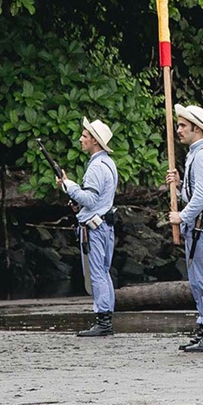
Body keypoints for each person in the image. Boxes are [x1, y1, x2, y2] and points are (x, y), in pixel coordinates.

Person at [165, 104, 203, 353]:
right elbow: (194, 193)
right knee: (198, 280)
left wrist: (181, 216)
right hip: (196, 226)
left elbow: (202, 197)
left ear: (197, 129)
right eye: (178, 125)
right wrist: (179, 187)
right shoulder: (195, 154)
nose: (178, 130)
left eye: (182, 125)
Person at [59, 118, 119, 337]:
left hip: (95, 227)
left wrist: (68, 186)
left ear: (95, 140)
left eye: (84, 136)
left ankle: (103, 321)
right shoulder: (109, 163)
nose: (80, 139)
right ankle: (106, 319)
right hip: (106, 224)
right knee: (103, 272)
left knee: (97, 274)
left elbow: (91, 200)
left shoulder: (95, 167)